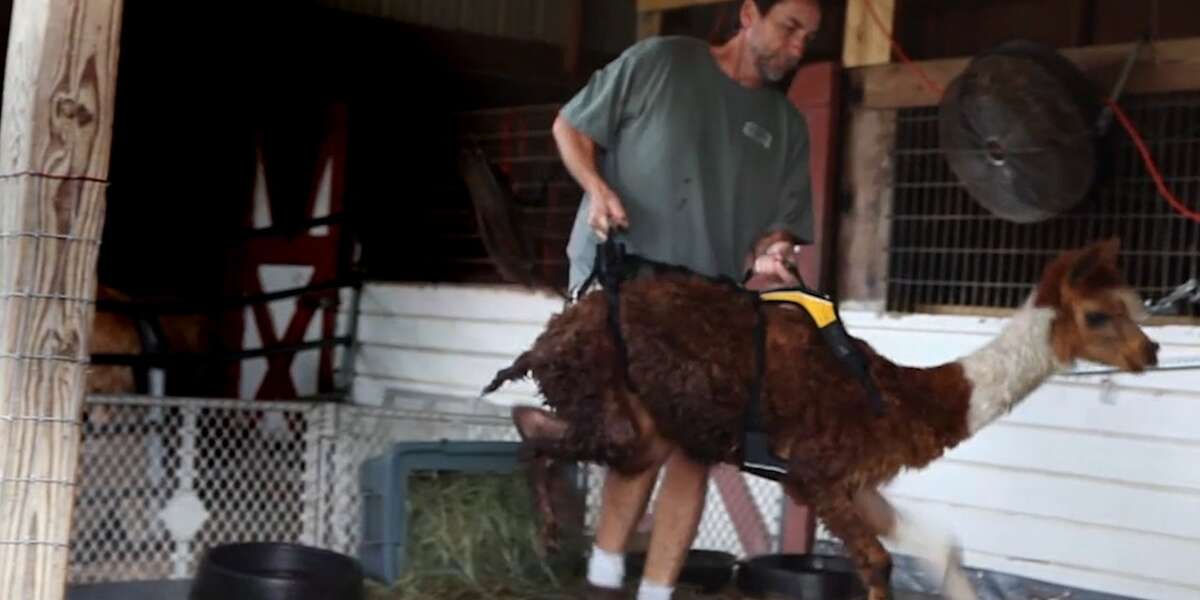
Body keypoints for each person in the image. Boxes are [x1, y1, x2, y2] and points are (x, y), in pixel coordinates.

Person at [550, 1, 822, 598]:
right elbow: (570, 128)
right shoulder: (662, 63)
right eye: (790, 28)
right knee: (648, 427)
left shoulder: (786, 127)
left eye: (809, 36)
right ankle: (601, 576)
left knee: (697, 445)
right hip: (624, 278)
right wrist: (595, 188)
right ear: (749, 14)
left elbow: (779, 229)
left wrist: (774, 252)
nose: (799, 47)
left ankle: (652, 592)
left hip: (708, 301)